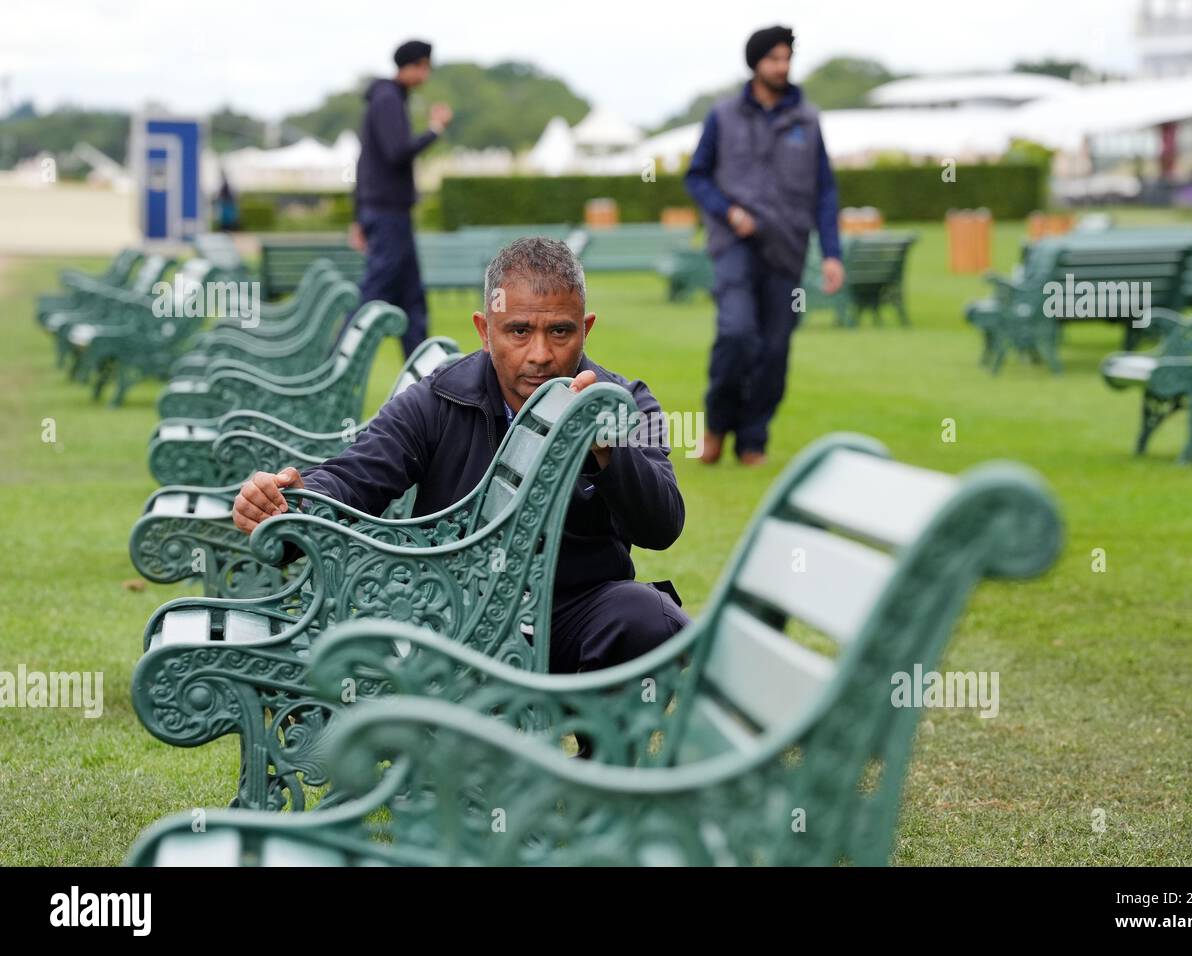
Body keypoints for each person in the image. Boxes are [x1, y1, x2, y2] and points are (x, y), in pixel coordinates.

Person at [231, 237, 690, 674]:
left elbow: (662, 524)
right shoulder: (438, 397)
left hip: (572, 611)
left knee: (649, 617)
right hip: (457, 619)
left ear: (585, 330)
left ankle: (595, 756)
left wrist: (606, 449)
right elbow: (353, 478)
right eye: (518, 331)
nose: (540, 354)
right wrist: (291, 503)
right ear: (484, 331)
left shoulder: (625, 401)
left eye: (560, 332)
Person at [685, 24, 844, 466]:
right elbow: (696, 176)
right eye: (773, 58)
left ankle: (753, 440)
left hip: (788, 248)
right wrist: (729, 210)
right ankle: (717, 427)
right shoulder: (723, 115)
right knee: (735, 333)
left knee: (775, 348)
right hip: (734, 244)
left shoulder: (807, 120)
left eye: (787, 57)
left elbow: (825, 191)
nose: (782, 66)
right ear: (756, 63)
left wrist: (832, 253)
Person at [349, 39, 453, 358]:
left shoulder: (387, 98)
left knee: (411, 297)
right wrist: (434, 130)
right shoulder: (387, 99)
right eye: (426, 66)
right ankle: (334, 367)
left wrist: (357, 216)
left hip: (385, 212)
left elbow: (364, 162)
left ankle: (423, 370)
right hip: (387, 213)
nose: (427, 73)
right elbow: (397, 153)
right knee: (374, 293)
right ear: (417, 64)